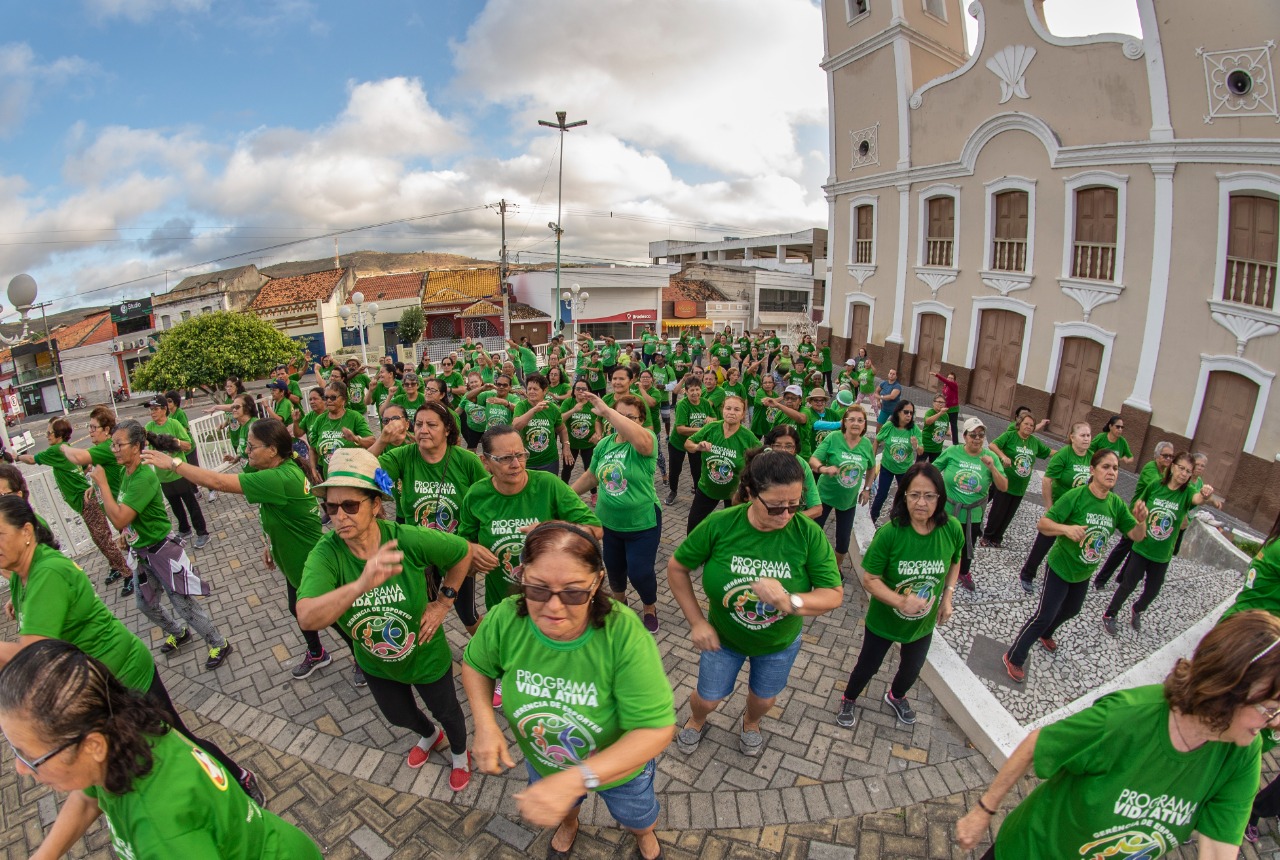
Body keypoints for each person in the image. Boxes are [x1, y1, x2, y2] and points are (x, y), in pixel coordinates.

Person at [0, 496, 263, 804]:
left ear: (27, 531)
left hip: (127, 674)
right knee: (137, 759)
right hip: (100, 688)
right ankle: (185, 801)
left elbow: (32, 657)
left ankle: (238, 778)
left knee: (178, 740)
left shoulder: (47, 573)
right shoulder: (21, 570)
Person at [959, 609, 1280, 858]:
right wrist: (983, 811)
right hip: (1031, 852)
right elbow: (1037, 745)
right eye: (1270, 708)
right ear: (1228, 691)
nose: (1275, 722)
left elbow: (1219, 849)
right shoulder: (1125, 717)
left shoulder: (1241, 754)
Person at [461, 522, 675, 860]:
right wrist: (485, 723)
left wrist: (578, 778)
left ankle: (644, 835)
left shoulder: (623, 634)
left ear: (597, 582)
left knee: (636, 814)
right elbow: (476, 665)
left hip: (619, 768)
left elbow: (656, 728)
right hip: (545, 759)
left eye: (574, 592)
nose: (554, 607)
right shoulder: (506, 618)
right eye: (538, 589)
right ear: (522, 575)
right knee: (564, 806)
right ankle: (569, 824)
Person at [0, 640, 320, 858]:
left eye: (30, 756)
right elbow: (88, 798)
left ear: (92, 745)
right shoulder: (123, 728)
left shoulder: (162, 831)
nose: (21, 769)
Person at [296, 448, 475, 786]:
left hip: (424, 654)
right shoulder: (327, 553)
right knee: (398, 715)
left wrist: (442, 603)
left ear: (375, 505)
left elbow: (461, 552)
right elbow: (306, 616)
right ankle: (429, 736)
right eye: (331, 507)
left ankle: (460, 755)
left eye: (351, 506)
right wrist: (362, 583)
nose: (339, 516)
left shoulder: (405, 538)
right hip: (376, 662)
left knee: (449, 712)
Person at [141, 417, 347, 682]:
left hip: (312, 565)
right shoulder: (273, 471)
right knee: (296, 608)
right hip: (294, 562)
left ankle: (364, 661)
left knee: (336, 617)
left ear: (272, 450)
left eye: (251, 447)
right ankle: (317, 653)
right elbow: (272, 513)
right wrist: (269, 544)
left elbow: (218, 483)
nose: (247, 452)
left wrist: (174, 463)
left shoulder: (280, 477)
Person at [669, 451, 843, 758]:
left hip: (778, 643)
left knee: (763, 699)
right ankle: (697, 719)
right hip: (722, 639)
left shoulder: (808, 535)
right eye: (776, 506)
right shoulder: (721, 524)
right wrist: (697, 622)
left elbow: (833, 593)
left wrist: (789, 600)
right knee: (708, 698)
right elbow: (677, 567)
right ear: (750, 493)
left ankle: (751, 722)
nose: (787, 515)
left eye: (795, 504)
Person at [458, 426, 602, 706]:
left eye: (520, 455)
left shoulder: (547, 485)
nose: (516, 464)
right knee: (510, 644)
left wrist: (551, 527)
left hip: (553, 599)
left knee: (555, 649)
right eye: (505, 458)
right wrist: (472, 552)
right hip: (503, 598)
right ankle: (506, 678)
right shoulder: (476, 495)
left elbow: (595, 529)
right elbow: (466, 539)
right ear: (485, 462)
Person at [90, 420, 235, 672]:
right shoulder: (127, 472)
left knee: (184, 605)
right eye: (112, 444)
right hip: (142, 553)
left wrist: (102, 486)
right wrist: (126, 532)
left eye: (118, 444)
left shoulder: (144, 476)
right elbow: (124, 519)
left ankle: (219, 643)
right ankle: (179, 633)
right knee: (144, 604)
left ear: (136, 447)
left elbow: (120, 516)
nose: (113, 449)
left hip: (162, 552)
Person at [835, 462, 964, 728]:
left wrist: (947, 596)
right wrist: (900, 601)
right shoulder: (890, 533)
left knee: (911, 670)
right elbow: (870, 579)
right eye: (914, 494)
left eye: (929, 496)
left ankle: (896, 695)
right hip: (884, 621)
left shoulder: (951, 528)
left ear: (940, 498)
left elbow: (956, 560)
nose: (921, 503)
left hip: (922, 624)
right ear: (903, 496)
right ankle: (849, 698)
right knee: (867, 667)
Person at [1002, 449, 1148, 683]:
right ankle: (1014, 656)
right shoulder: (1076, 496)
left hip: (1083, 572)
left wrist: (1142, 521)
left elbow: (1136, 535)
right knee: (1044, 614)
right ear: (1092, 470)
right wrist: (1066, 529)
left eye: (1115, 468)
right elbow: (1043, 524)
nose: (1112, 472)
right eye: (1106, 467)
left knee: (1072, 610)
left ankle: (1046, 634)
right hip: (1060, 568)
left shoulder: (1116, 504)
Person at [369, 400, 487, 635]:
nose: (423, 430)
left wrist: (476, 546)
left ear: (447, 429)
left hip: (457, 552)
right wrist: (381, 441)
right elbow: (365, 473)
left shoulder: (466, 461)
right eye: (419, 424)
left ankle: (490, 657)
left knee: (468, 615)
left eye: (431, 424)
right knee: (419, 612)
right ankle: (427, 655)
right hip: (418, 553)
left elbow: (486, 504)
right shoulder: (403, 456)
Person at [570, 392, 662, 633]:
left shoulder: (646, 440)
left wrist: (609, 412)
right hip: (608, 523)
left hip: (642, 522)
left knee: (640, 572)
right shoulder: (604, 444)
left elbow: (641, 442)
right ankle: (619, 604)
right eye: (619, 415)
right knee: (614, 568)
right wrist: (566, 495)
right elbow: (591, 476)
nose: (623, 421)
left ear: (641, 420)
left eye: (630, 417)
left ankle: (649, 606)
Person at [1102, 451, 1215, 634]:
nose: (1184, 473)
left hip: (1162, 554)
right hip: (1142, 546)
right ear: (1172, 467)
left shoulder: (1187, 493)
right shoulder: (1155, 486)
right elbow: (1140, 502)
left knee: (1153, 591)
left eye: (1188, 471)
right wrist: (1138, 516)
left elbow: (1198, 499)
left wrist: (1205, 494)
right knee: (1128, 584)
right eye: (1181, 468)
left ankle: (1137, 609)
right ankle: (1110, 614)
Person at [18, 416, 130, 583]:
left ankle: (128, 572)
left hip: (87, 502)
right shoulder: (66, 448)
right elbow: (86, 467)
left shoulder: (56, 450)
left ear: (59, 435)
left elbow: (32, 460)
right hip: (86, 499)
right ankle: (116, 566)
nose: (47, 436)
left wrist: (15, 456)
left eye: (49, 433)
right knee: (100, 538)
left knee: (103, 539)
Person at [931, 417, 1008, 591]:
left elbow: (1003, 486)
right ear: (965, 436)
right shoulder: (952, 451)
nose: (977, 439)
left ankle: (963, 572)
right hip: (948, 510)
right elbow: (933, 470)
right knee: (942, 541)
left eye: (981, 435)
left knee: (968, 545)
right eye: (973, 435)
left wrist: (993, 468)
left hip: (972, 513)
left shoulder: (991, 457)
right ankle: (938, 570)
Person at [1018, 421, 1093, 592]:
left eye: (1088, 435)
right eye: (1082, 435)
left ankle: (1057, 578)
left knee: (1068, 546)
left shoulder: (1092, 458)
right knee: (1044, 542)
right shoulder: (1064, 455)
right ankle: (1028, 573)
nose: (1086, 439)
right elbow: (1047, 479)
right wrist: (1049, 507)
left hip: (1078, 511)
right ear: (1072, 438)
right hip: (1060, 508)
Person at [1093, 442, 1176, 588]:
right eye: (1165, 456)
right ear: (1157, 456)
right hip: (1134, 516)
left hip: (1148, 520)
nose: (1168, 459)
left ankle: (1121, 578)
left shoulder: (1164, 472)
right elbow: (1160, 487)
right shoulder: (1151, 469)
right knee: (1123, 549)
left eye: (1171, 456)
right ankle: (1101, 579)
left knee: (1134, 551)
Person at [811, 405, 875, 572]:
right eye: (851, 419)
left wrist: (867, 488)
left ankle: (837, 567)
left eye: (860, 420)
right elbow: (814, 460)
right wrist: (824, 469)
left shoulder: (866, 444)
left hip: (848, 501)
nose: (856, 423)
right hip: (825, 495)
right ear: (844, 422)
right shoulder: (833, 438)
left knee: (843, 540)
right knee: (814, 531)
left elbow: (871, 468)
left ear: (864, 425)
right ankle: (809, 561)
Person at [684, 393, 760, 534]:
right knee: (694, 527)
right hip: (707, 489)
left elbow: (761, 462)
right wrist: (697, 447)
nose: (731, 412)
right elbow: (688, 443)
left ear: (743, 414)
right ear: (722, 410)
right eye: (728, 408)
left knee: (733, 531)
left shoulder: (748, 438)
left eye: (737, 410)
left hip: (734, 494)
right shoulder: (712, 428)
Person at [144, 396, 211, 549]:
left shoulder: (174, 424)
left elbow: (188, 445)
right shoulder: (148, 427)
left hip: (180, 472)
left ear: (164, 409)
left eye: (155, 409)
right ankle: (185, 529)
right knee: (175, 506)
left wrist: (174, 442)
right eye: (151, 409)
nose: (152, 412)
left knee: (191, 504)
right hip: (163, 477)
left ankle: (202, 532)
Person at [982, 412, 1054, 548]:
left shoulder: (1034, 442)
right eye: (1026, 423)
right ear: (1019, 424)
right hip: (1005, 481)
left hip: (1020, 486)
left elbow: (1049, 452)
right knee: (998, 511)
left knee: (1009, 514)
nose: (1029, 427)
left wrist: (1069, 452)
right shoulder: (1010, 435)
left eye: (1032, 425)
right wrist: (1003, 456)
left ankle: (997, 538)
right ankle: (987, 536)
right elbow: (993, 445)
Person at [307, 380, 374, 479]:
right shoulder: (320, 420)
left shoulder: (355, 417)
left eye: (333, 397)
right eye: (326, 398)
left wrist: (355, 439)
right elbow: (312, 449)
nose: (329, 401)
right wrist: (313, 468)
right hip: (329, 477)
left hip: (352, 476)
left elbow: (372, 441)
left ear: (344, 400)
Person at [870, 399, 923, 523]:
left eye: (911, 413)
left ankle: (899, 518)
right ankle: (873, 516)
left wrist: (916, 446)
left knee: (904, 495)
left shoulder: (914, 429)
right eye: (906, 412)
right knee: (881, 494)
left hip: (904, 469)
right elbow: (877, 440)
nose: (909, 415)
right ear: (898, 412)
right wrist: (872, 461)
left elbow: (920, 451)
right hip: (887, 466)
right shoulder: (889, 426)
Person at [666, 376, 715, 506]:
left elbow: (714, 419)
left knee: (697, 470)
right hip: (678, 443)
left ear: (701, 389)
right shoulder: (683, 405)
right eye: (691, 390)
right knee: (675, 469)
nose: (695, 393)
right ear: (686, 391)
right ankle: (673, 491)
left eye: (697, 389)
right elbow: (681, 429)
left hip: (695, 444)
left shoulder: (705, 403)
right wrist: (702, 430)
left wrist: (711, 418)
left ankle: (698, 493)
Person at [755, 425, 821, 520]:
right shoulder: (760, 463)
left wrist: (788, 519)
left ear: (795, 449)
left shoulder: (802, 466)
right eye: (777, 446)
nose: (783, 451)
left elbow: (817, 509)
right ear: (770, 447)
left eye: (789, 446)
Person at [512, 373, 570, 476]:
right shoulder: (521, 406)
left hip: (549, 461)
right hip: (527, 461)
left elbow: (561, 429)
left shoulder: (553, 408)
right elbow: (516, 426)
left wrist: (566, 446)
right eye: (529, 389)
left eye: (535, 389)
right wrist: (534, 410)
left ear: (544, 390)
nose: (531, 392)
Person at [560, 379, 599, 483]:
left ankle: (594, 494)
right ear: (574, 391)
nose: (580, 391)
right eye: (578, 389)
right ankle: (564, 490)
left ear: (589, 390)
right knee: (567, 468)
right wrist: (573, 410)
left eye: (584, 389)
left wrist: (598, 433)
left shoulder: (593, 403)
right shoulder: (568, 402)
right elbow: (559, 420)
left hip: (588, 444)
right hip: (571, 444)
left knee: (590, 470)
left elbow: (601, 420)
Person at [222, 393, 259, 464]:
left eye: (237, 407)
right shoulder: (243, 425)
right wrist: (236, 458)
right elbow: (244, 448)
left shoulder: (254, 425)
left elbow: (258, 450)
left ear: (247, 408)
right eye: (233, 407)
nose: (234, 410)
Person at [918, 393, 949, 464]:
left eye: (943, 402)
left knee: (933, 469)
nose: (941, 404)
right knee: (919, 467)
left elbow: (946, 425)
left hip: (937, 448)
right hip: (926, 446)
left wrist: (948, 431)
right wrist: (940, 413)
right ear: (933, 403)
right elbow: (928, 421)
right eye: (939, 402)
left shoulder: (946, 415)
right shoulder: (930, 412)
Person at [933, 371, 960, 444]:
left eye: (952, 378)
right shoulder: (946, 385)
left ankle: (955, 443)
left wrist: (937, 375)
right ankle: (938, 438)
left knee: (953, 426)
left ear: (954, 380)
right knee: (942, 424)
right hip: (946, 408)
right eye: (948, 377)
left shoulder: (954, 385)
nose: (949, 379)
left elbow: (947, 382)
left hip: (953, 409)